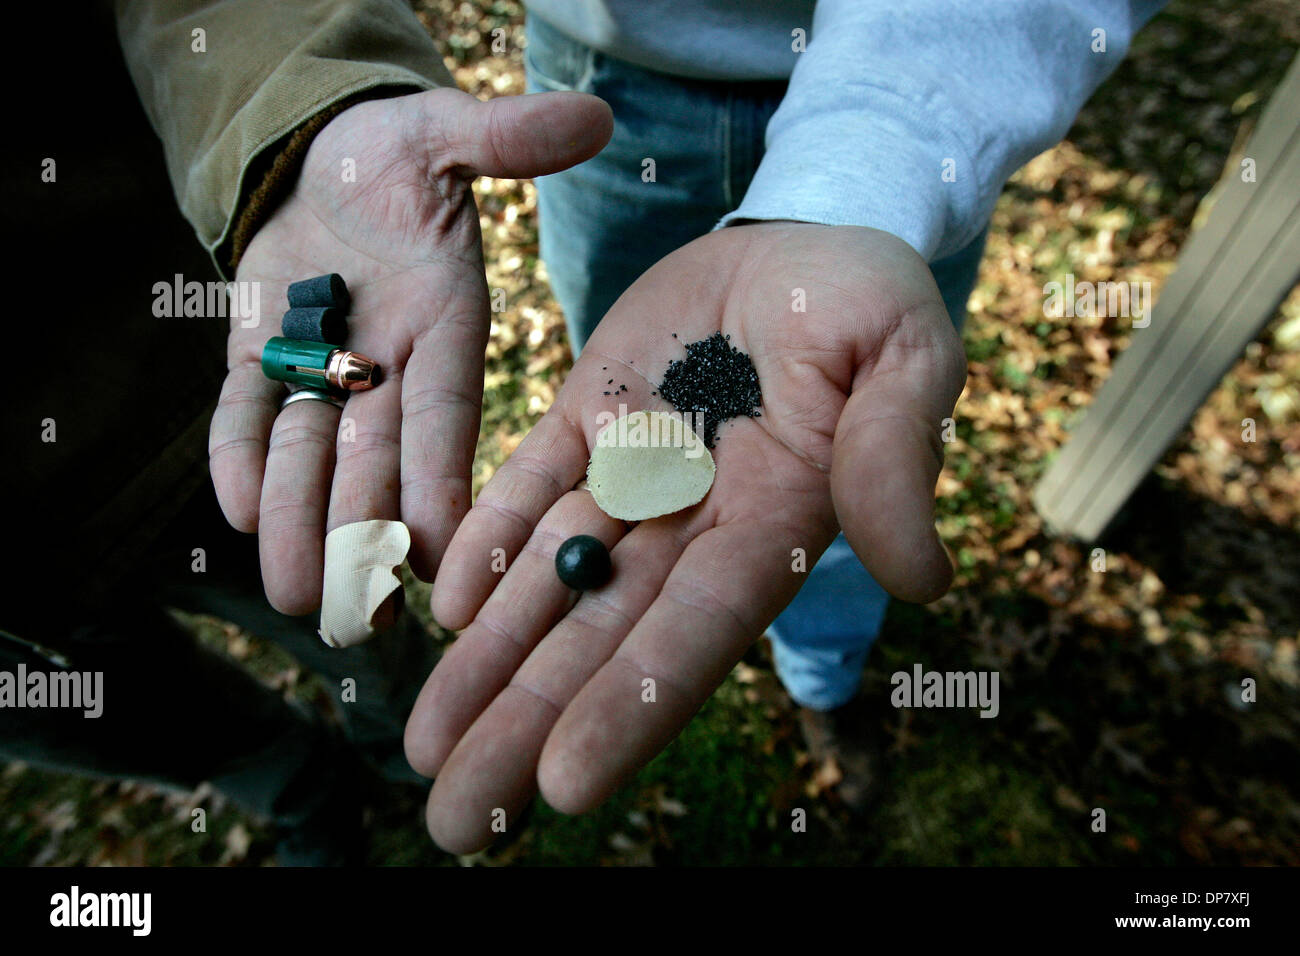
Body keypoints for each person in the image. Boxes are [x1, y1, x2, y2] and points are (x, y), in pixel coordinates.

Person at [2, 0, 1163, 862]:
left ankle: (824, 672)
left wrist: (871, 171)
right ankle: (347, 769)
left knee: (840, 464)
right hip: (612, 57)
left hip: (917, 84)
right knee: (649, 387)